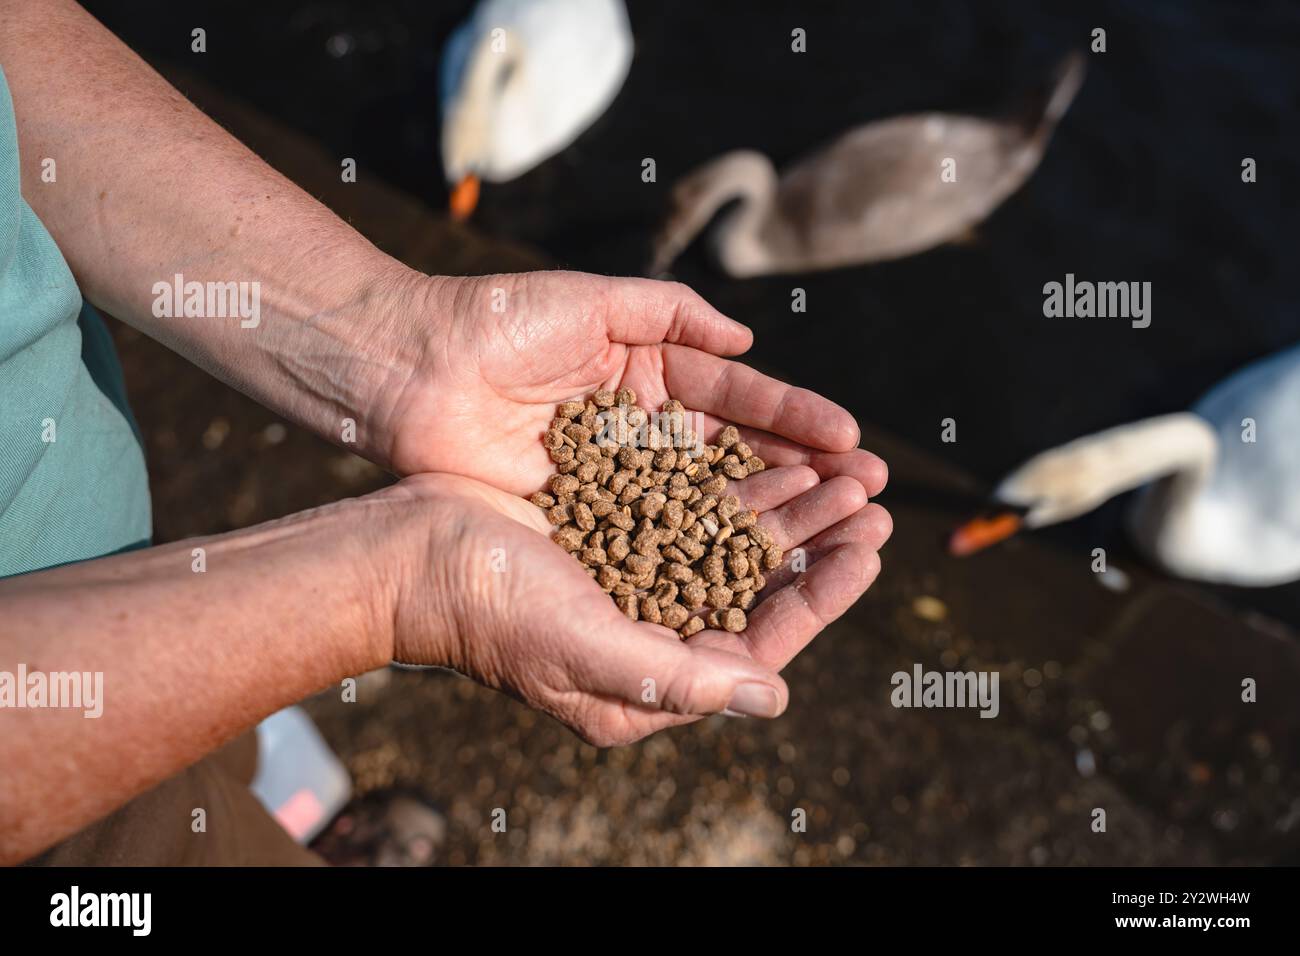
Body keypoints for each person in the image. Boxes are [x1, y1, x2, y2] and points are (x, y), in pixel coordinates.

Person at [0, 0, 891, 866]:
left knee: (224, 743)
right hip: (49, 811)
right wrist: (402, 585)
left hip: (120, 574)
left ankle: (266, 773)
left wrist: (398, 343)